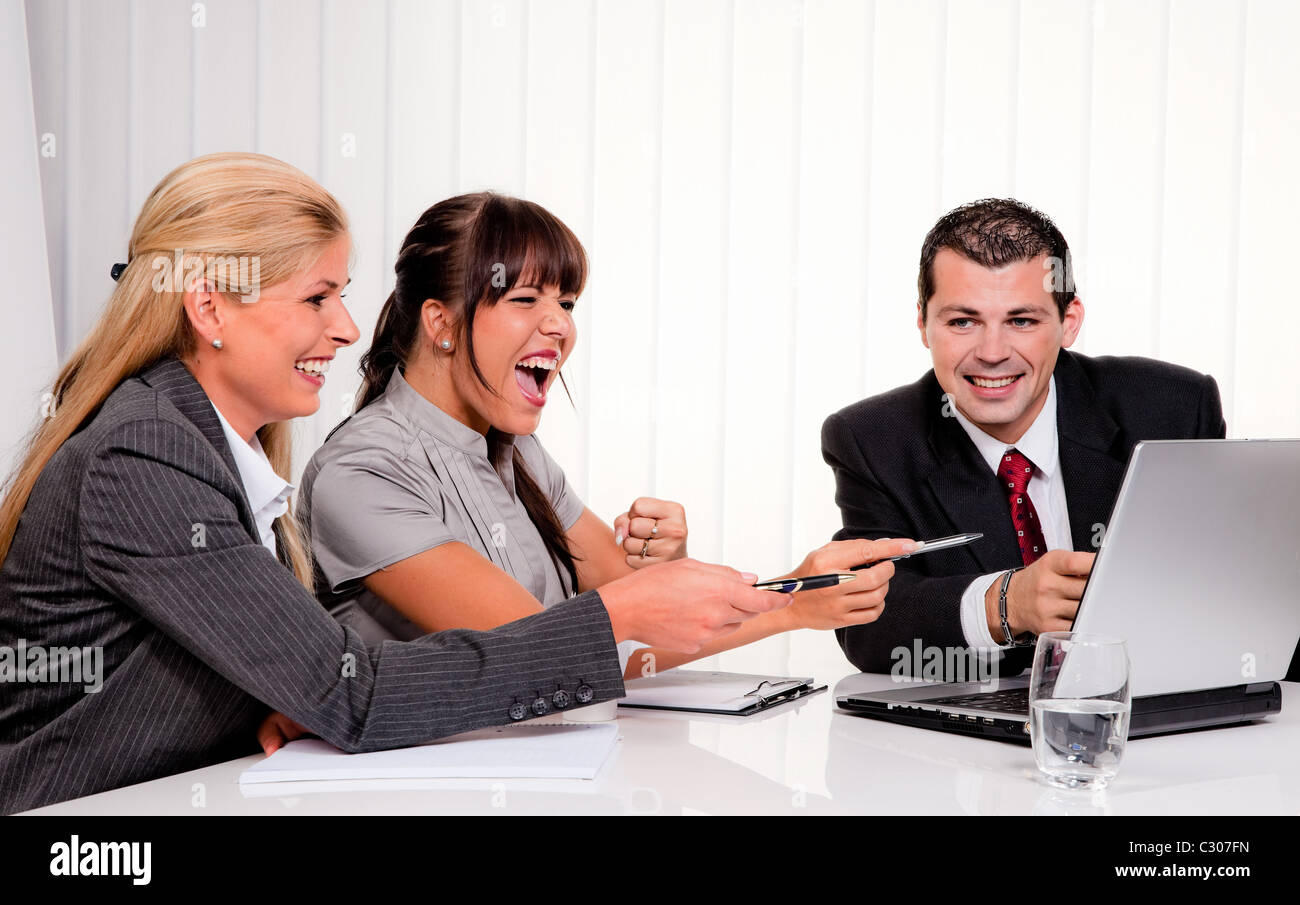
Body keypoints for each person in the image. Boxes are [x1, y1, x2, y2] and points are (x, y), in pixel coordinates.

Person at [0, 153, 792, 815]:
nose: (347, 326)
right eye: (318, 296)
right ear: (210, 307)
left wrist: (271, 697)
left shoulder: (198, 445)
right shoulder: (146, 455)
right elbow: (354, 690)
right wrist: (620, 614)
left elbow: (280, 665)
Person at [290, 192, 912, 700]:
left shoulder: (517, 453)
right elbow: (542, 652)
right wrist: (793, 606)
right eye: (526, 299)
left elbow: (632, 627)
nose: (560, 325)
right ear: (441, 322)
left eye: (565, 302)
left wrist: (693, 576)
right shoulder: (362, 472)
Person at [821, 197, 1258, 681]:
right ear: (923, 323)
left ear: (1069, 322)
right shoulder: (872, 439)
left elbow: (1237, 582)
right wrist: (1006, 603)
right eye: (962, 321)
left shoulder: (1172, 406)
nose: (992, 353)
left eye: (1021, 321)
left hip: (1164, 707)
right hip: (979, 741)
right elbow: (867, 619)